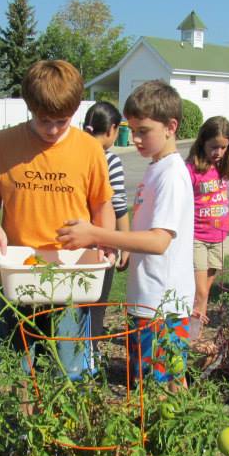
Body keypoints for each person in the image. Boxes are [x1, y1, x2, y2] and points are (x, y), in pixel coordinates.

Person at [0, 60, 114, 379]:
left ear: (75, 111)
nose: (51, 130)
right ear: (30, 107)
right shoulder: (3, 143)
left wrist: (104, 239)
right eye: (44, 120)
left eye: (61, 122)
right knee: (16, 368)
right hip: (20, 272)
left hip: (71, 273)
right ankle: (23, 409)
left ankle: (70, 407)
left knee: (71, 369)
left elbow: (101, 205)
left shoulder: (89, 149)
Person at [57, 81, 195, 383]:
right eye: (131, 130)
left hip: (163, 304)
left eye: (143, 131)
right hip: (147, 297)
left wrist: (96, 234)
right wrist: (126, 246)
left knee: (161, 388)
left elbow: (159, 242)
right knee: (144, 384)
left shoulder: (172, 175)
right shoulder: (156, 166)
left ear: (171, 127)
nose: (135, 139)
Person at [82, 101, 130, 344]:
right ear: (112, 129)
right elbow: (118, 204)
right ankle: (91, 352)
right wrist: (125, 244)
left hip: (74, 243)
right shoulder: (109, 160)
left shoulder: (73, 154)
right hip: (102, 243)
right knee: (97, 303)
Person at [186, 116, 229, 325]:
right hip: (197, 236)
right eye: (214, 147)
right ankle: (189, 335)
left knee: (205, 291)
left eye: (224, 147)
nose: (219, 152)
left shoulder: (224, 166)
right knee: (200, 291)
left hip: (218, 236)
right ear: (202, 142)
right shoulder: (191, 169)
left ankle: (195, 333)